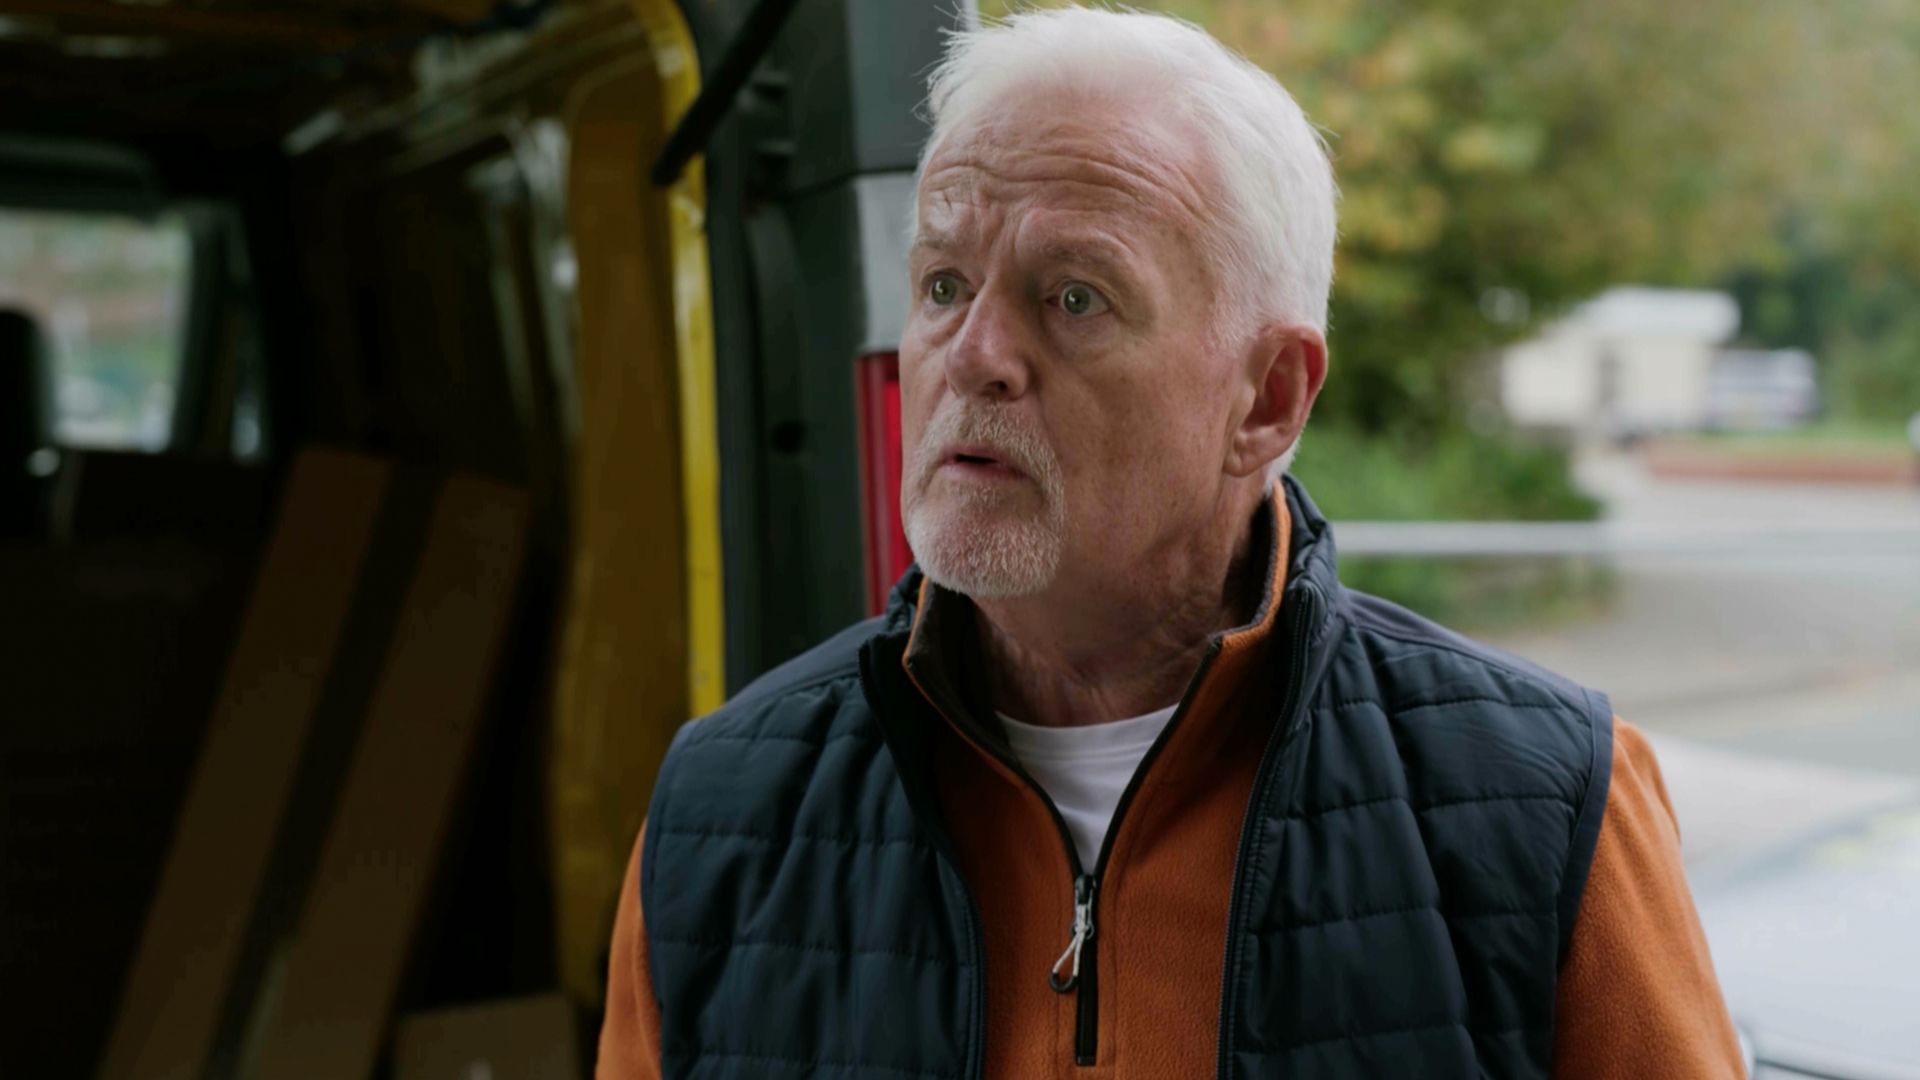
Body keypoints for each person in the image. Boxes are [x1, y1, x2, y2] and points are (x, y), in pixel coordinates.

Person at [598, 8, 1742, 1077]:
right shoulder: (718, 814)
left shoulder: (1547, 807)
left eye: (1074, 298)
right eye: (944, 284)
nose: (974, 354)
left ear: (1267, 400)